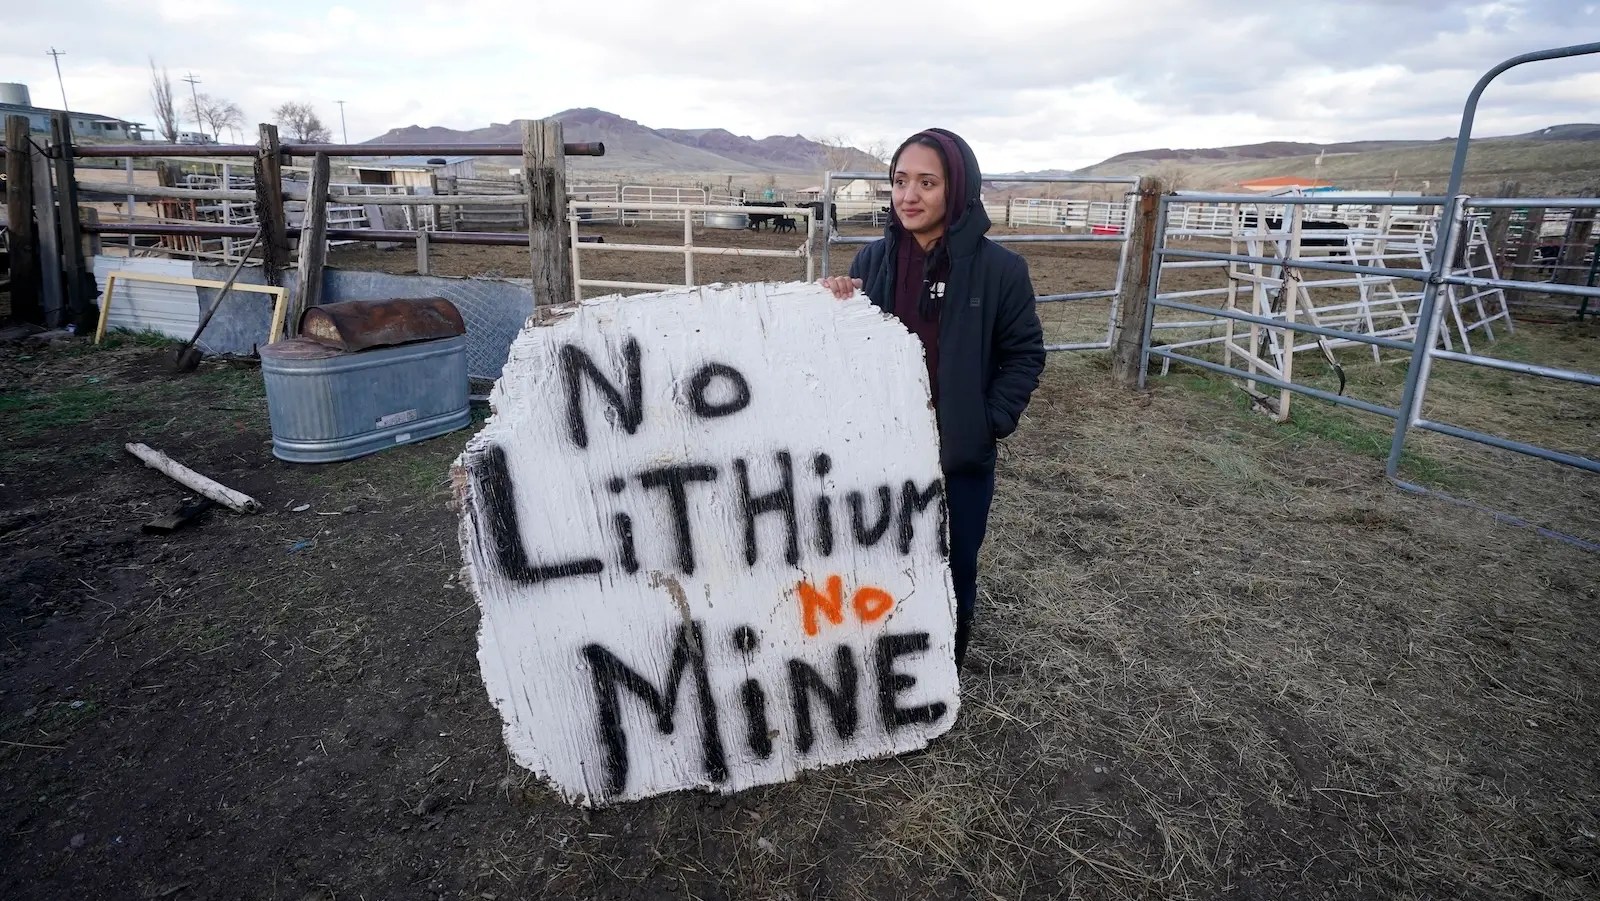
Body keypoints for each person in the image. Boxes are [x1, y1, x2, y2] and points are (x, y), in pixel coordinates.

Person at [819, 128, 1045, 668]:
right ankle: (882, 669)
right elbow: (847, 352)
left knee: (952, 562)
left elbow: (1024, 355)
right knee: (876, 558)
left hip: (958, 456)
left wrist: (987, 422)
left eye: (927, 182)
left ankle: (941, 671)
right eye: (900, 182)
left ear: (957, 188)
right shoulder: (872, 261)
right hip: (879, 450)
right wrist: (834, 304)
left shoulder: (999, 271)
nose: (909, 196)